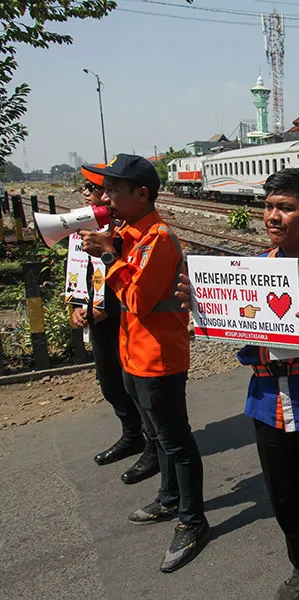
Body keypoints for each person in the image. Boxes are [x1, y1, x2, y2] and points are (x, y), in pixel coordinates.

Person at [176, 168, 299, 600]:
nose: (272, 216)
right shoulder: (252, 270)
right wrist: (203, 311)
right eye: (268, 207)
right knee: (285, 497)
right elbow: (234, 326)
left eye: (285, 207)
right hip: (267, 402)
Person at [80, 154, 209, 574]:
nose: (106, 197)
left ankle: (193, 521)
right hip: (134, 355)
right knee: (156, 435)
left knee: (175, 441)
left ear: (141, 193)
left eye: (114, 190)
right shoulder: (129, 234)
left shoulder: (157, 238)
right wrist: (112, 247)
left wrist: (108, 256)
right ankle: (170, 498)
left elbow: (137, 300)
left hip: (159, 359)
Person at [72, 165, 160, 485]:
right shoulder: (93, 228)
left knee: (138, 389)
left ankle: (153, 445)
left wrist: (104, 306)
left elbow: (132, 281)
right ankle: (132, 434)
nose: (92, 194)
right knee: (111, 382)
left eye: (94, 188)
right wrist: (79, 304)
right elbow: (82, 270)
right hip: (100, 318)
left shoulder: (130, 231)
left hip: (123, 318)